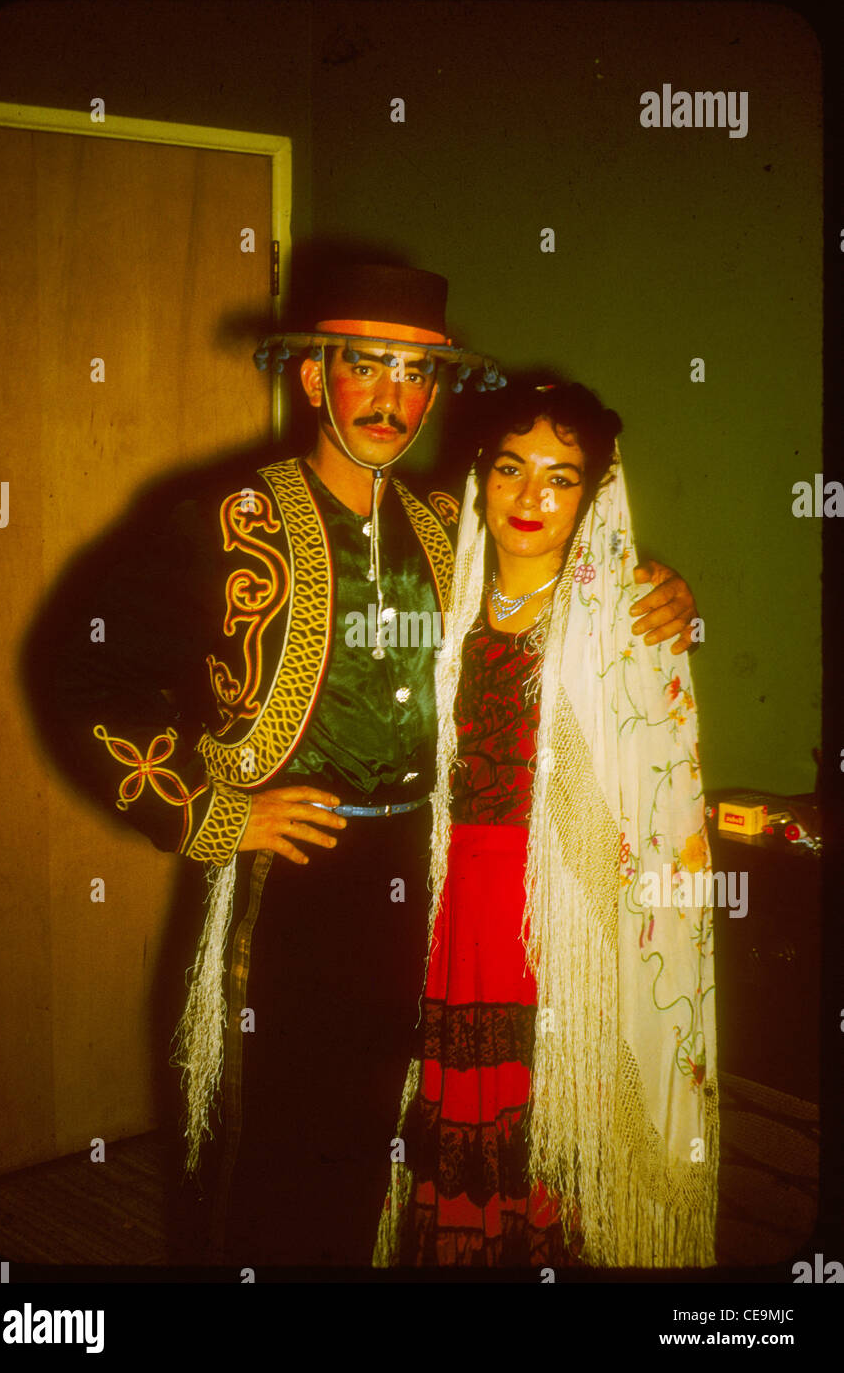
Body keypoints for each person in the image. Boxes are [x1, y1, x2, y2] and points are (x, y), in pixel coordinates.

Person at [35, 264, 702, 1269]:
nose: (395, 398)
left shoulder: (447, 528)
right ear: (314, 380)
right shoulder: (222, 521)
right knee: (266, 1148)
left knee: (382, 1151)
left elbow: (562, 563)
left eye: (416, 373)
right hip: (294, 880)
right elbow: (75, 669)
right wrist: (212, 813)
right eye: (368, 367)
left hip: (424, 884)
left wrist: (661, 588)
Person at [376, 376, 718, 1269]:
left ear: (594, 493)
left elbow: (659, 803)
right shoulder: (430, 607)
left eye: (561, 478)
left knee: (552, 1129)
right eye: (511, 469)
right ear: (479, 477)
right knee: (445, 1115)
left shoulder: (629, 623)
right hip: (445, 908)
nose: (531, 498)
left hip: (563, 919)